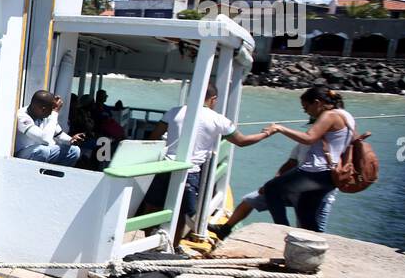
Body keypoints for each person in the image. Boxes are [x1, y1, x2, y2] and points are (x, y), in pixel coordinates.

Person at [138, 82, 275, 245]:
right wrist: (267, 133)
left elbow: (154, 137)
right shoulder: (218, 119)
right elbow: (242, 141)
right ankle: (173, 245)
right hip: (191, 172)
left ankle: (146, 243)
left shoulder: (174, 112)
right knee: (182, 213)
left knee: (152, 207)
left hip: (166, 167)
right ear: (213, 99)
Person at [258, 86, 355, 231]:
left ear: (317, 103)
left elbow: (309, 138)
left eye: (306, 107)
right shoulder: (346, 117)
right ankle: (314, 245)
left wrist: (279, 128)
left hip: (315, 171)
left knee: (271, 188)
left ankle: (282, 231)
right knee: (305, 213)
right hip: (331, 175)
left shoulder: (329, 115)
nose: (305, 111)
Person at [210, 143, 336, 240]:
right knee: (250, 200)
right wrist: (274, 182)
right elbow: (291, 163)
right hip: (291, 190)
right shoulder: (303, 144)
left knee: (311, 233)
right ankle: (225, 229)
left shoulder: (332, 147)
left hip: (317, 197)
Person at [16, 89, 84, 166]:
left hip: (43, 150)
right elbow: (45, 140)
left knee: (74, 150)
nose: (51, 113)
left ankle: (55, 175)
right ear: (43, 109)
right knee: (43, 150)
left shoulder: (44, 113)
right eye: (50, 110)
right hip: (23, 153)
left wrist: (71, 140)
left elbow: (59, 135)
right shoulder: (22, 116)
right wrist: (55, 113)